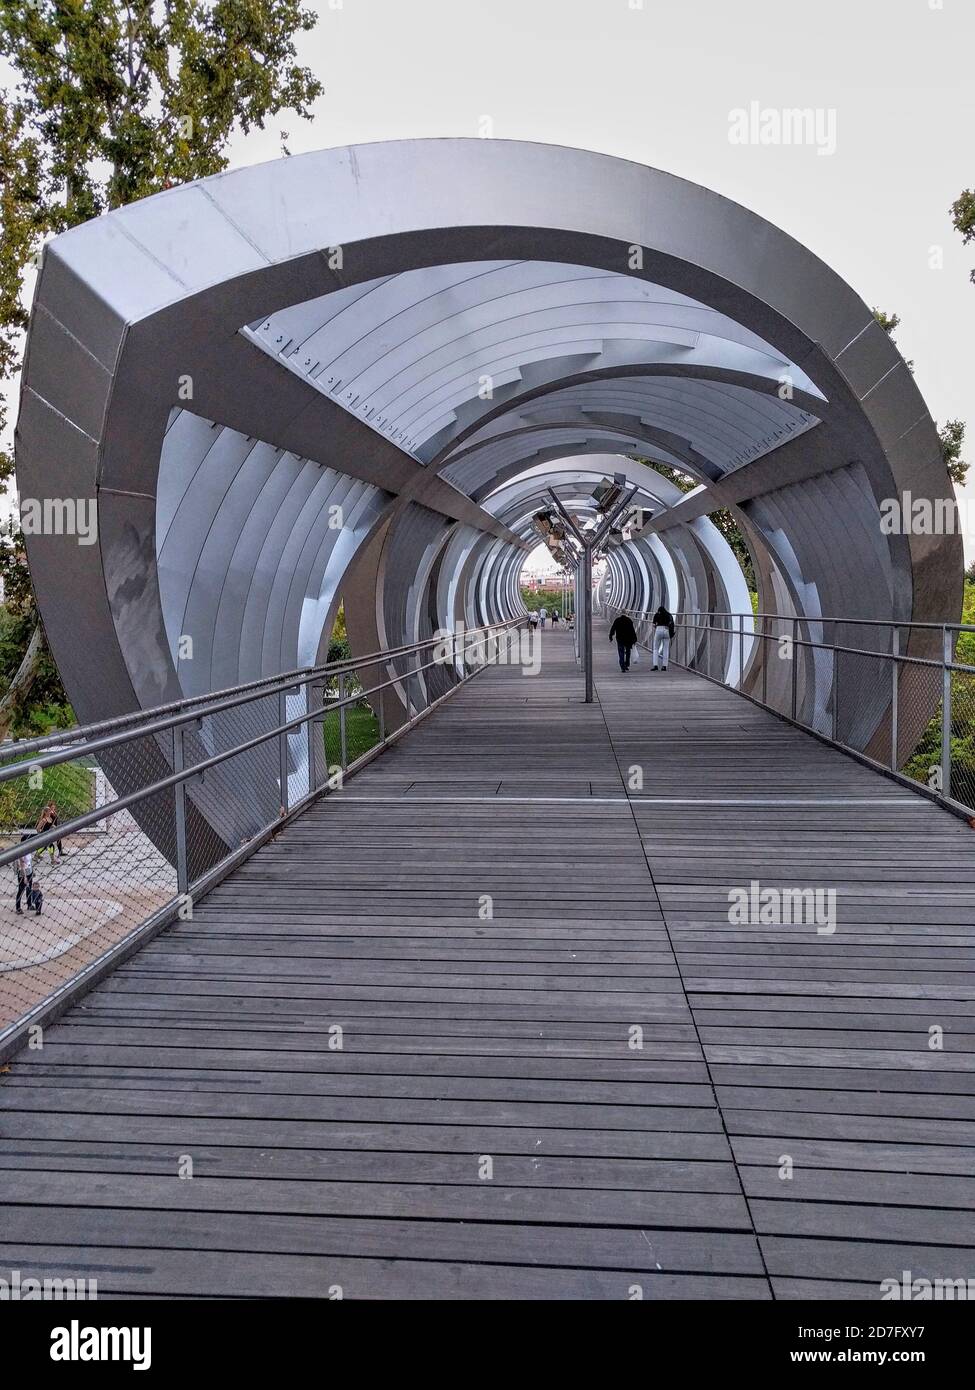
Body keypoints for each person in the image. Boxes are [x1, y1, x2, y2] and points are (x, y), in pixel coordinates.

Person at [651, 605, 675, 670]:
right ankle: (664, 666)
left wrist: (657, 627)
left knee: (656, 649)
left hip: (658, 629)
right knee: (666, 649)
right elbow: (672, 624)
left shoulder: (657, 615)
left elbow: (653, 625)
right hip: (666, 630)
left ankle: (655, 665)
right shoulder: (669, 615)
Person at [15, 834, 34, 914]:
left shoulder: (28, 849)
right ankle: (18, 908)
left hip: (29, 870)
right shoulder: (21, 850)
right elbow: (22, 864)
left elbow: (29, 861)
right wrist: (25, 877)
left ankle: (29, 904)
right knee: (21, 890)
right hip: (23, 872)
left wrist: (33, 871)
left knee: (29, 888)